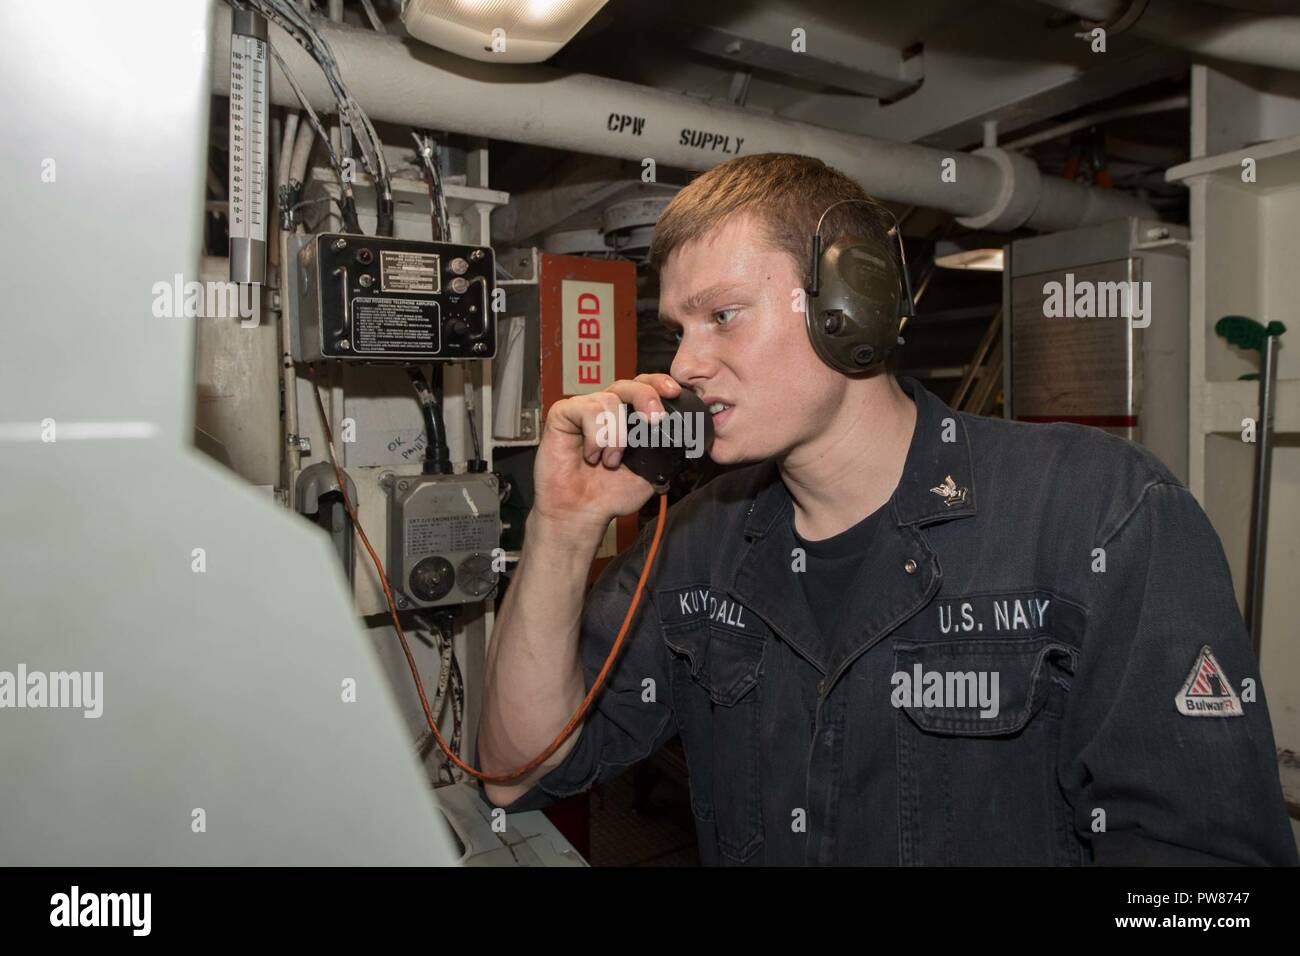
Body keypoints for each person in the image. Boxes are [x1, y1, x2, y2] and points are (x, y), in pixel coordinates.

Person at [476, 152, 1297, 866]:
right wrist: (565, 524)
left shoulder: (1098, 515)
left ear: (852, 305)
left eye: (723, 315)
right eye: (678, 329)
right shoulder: (699, 543)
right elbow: (519, 770)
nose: (686, 363)